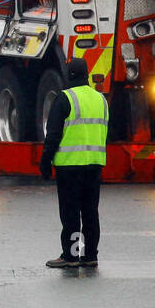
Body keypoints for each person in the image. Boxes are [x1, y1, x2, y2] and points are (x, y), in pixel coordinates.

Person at [40, 58, 108, 268]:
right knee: (90, 212)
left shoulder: (64, 99)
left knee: (70, 213)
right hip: (94, 165)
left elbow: (53, 135)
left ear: (68, 75)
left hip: (69, 166)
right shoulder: (100, 99)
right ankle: (90, 256)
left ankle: (70, 256)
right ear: (86, 74)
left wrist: (45, 161)